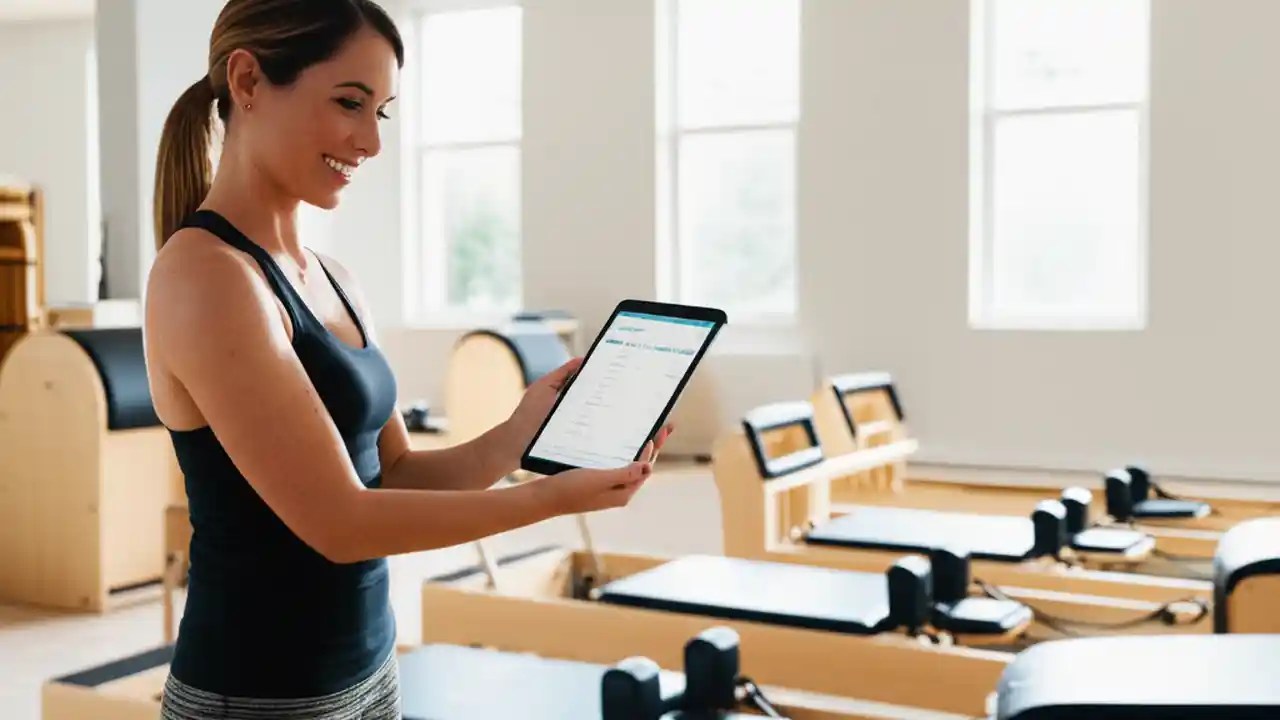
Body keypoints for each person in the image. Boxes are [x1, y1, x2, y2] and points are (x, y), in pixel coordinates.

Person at [144, 1, 672, 717]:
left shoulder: (334, 278)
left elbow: (395, 475)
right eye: (349, 103)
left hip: (368, 669)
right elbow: (340, 524)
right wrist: (549, 500)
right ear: (248, 80)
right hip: (261, 693)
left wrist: (523, 430)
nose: (370, 141)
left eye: (382, 113)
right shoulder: (205, 275)